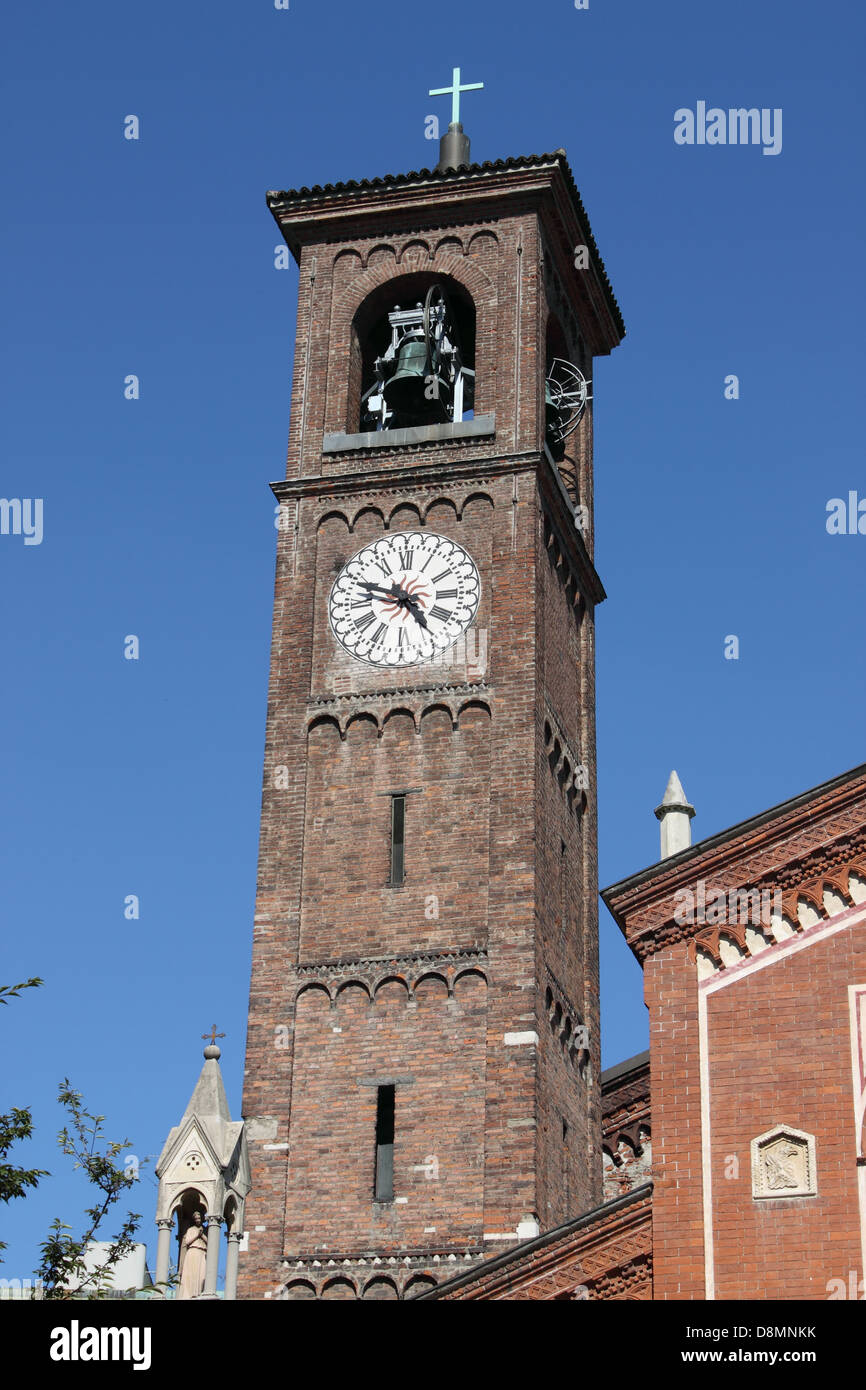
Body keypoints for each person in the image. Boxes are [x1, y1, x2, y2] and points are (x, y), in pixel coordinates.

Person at [178, 1209, 208, 1298]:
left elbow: (210, 1242)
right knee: (191, 1274)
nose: (198, 1220)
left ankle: (198, 1293)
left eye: (199, 1218)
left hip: (202, 1253)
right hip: (192, 1252)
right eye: (196, 1218)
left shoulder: (205, 1230)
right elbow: (187, 1242)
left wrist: (202, 1235)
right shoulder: (191, 1229)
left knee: (201, 1275)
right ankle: (190, 1295)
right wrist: (197, 1235)